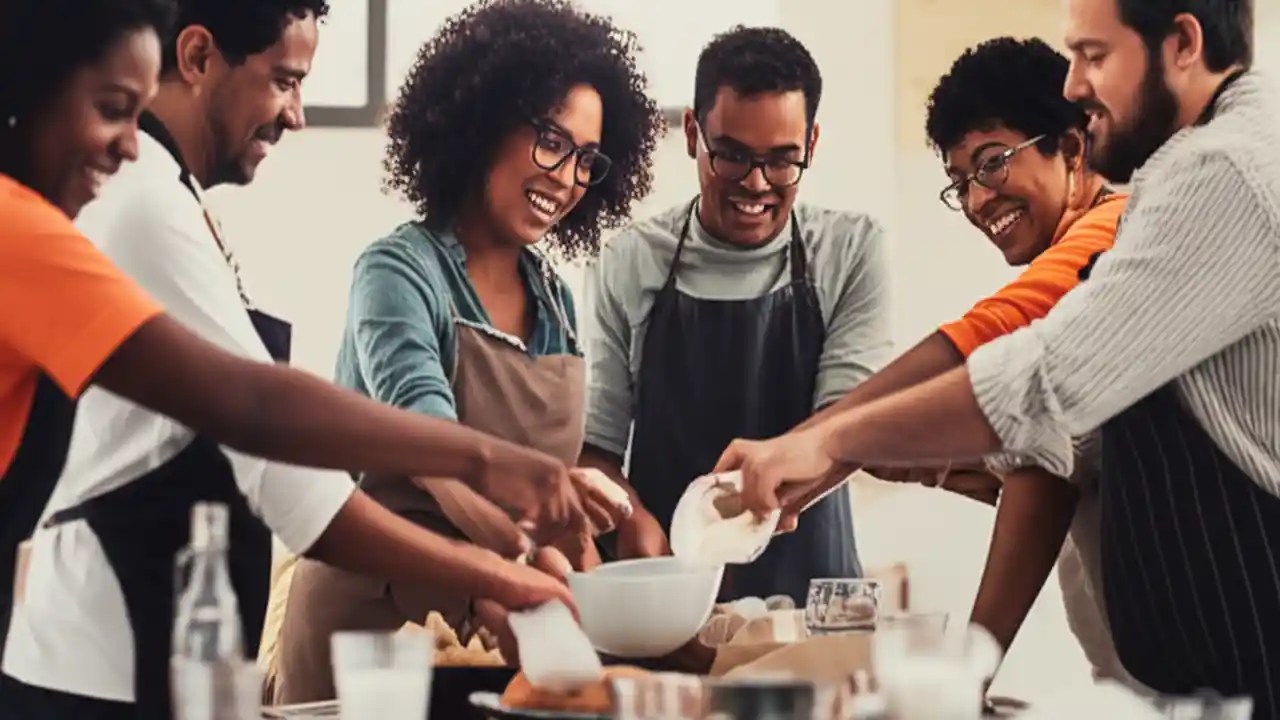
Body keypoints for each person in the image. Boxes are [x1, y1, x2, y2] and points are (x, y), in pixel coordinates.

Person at [0, 1, 601, 716]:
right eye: (111, 108)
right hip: (103, 663)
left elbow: (258, 412)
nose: (127, 144)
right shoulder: (110, 213)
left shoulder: (149, 205)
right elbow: (259, 414)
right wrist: (483, 493)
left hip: (150, 651)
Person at [719, 0, 1280, 711]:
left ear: (1182, 42)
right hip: (1202, 681)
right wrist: (944, 463)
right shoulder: (1182, 179)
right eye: (963, 181)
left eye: (1094, 56)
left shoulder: (1219, 174)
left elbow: (1039, 383)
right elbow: (1069, 450)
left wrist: (826, 443)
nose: (1074, 86)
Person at [268, 0, 664, 703]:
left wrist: (598, 576)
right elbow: (434, 457)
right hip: (373, 636)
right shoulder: (399, 273)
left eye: (586, 159)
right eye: (551, 141)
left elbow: (551, 482)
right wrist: (530, 558)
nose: (567, 178)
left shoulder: (554, 300)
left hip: (499, 633)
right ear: (483, 121)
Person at [580, 25, 892, 605]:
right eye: (732, 156)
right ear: (693, 134)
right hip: (665, 598)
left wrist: (772, 492)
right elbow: (597, 446)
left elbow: (846, 427)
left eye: (782, 162)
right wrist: (629, 519)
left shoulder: (850, 250)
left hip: (812, 602)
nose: (756, 184)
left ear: (813, 144)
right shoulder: (628, 261)